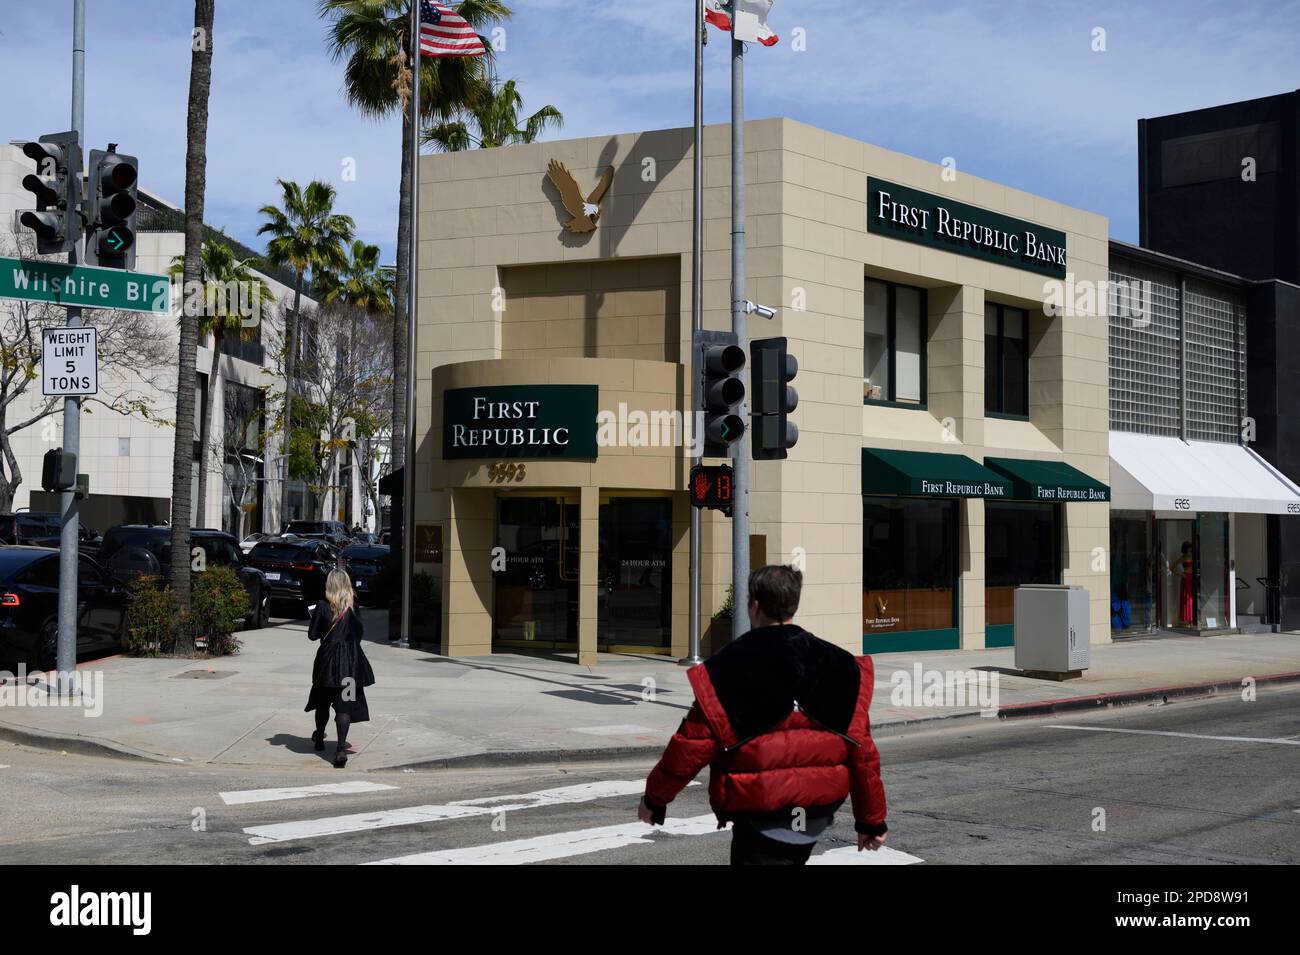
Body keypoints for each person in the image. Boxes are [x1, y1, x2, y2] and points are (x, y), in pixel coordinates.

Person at [637, 565, 888, 865]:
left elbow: (690, 747)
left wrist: (655, 800)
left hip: (760, 817)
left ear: (754, 605)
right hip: (813, 817)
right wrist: (871, 822)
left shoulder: (727, 668)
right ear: (793, 603)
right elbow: (863, 754)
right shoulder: (840, 665)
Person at [304, 570, 375, 768]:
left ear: (329, 585)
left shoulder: (322, 606)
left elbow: (312, 635)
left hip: (326, 665)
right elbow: (359, 633)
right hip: (351, 665)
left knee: (322, 702)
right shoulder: (354, 606)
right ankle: (341, 749)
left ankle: (319, 739)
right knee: (345, 706)